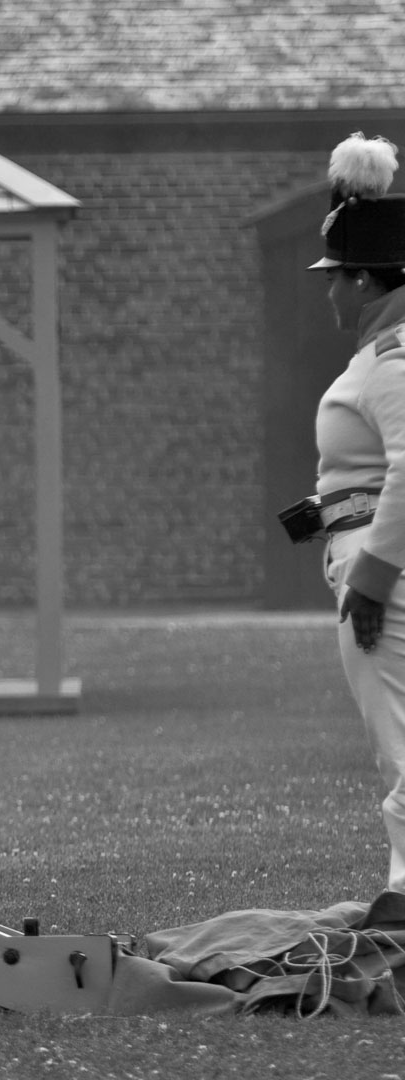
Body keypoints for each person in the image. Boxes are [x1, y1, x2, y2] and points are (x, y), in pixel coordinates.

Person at [304, 132, 405, 892]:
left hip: (387, 576)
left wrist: (370, 576)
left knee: (397, 742)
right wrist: (325, 506)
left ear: (367, 281)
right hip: (375, 553)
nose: (329, 290)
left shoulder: (394, 359)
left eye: (337, 276)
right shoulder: (380, 357)